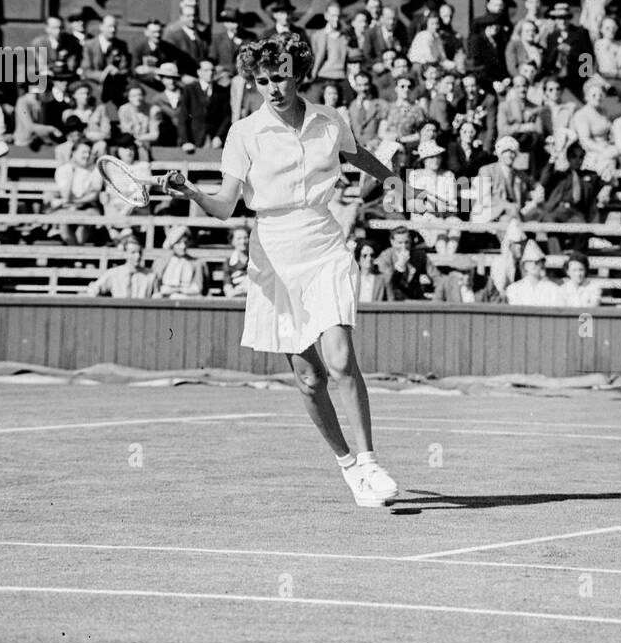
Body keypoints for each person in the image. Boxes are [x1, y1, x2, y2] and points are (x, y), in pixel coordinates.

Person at [163, 34, 406, 508]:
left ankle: (371, 462)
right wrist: (193, 192)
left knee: (338, 358)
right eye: (261, 80)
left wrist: (394, 180)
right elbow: (225, 205)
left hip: (323, 243)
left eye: (280, 77)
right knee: (309, 378)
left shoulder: (330, 120)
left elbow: (360, 157)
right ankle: (348, 466)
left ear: (298, 73)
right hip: (272, 252)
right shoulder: (244, 133)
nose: (272, 88)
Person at [87, 235, 160, 298]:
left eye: (139, 252)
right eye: (133, 253)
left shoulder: (151, 276)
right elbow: (93, 290)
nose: (137, 256)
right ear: (125, 254)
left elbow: (157, 298)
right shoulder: (114, 273)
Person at [154, 226, 207, 299]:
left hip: (187, 299)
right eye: (178, 243)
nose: (183, 246)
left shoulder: (196, 263)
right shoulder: (161, 262)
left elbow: (198, 288)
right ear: (173, 245)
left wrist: (179, 290)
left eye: (185, 242)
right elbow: (156, 286)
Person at [504, 240, 560, 305]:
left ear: (542, 264)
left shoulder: (553, 289)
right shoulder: (513, 289)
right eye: (530, 261)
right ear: (525, 265)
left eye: (537, 262)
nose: (533, 264)